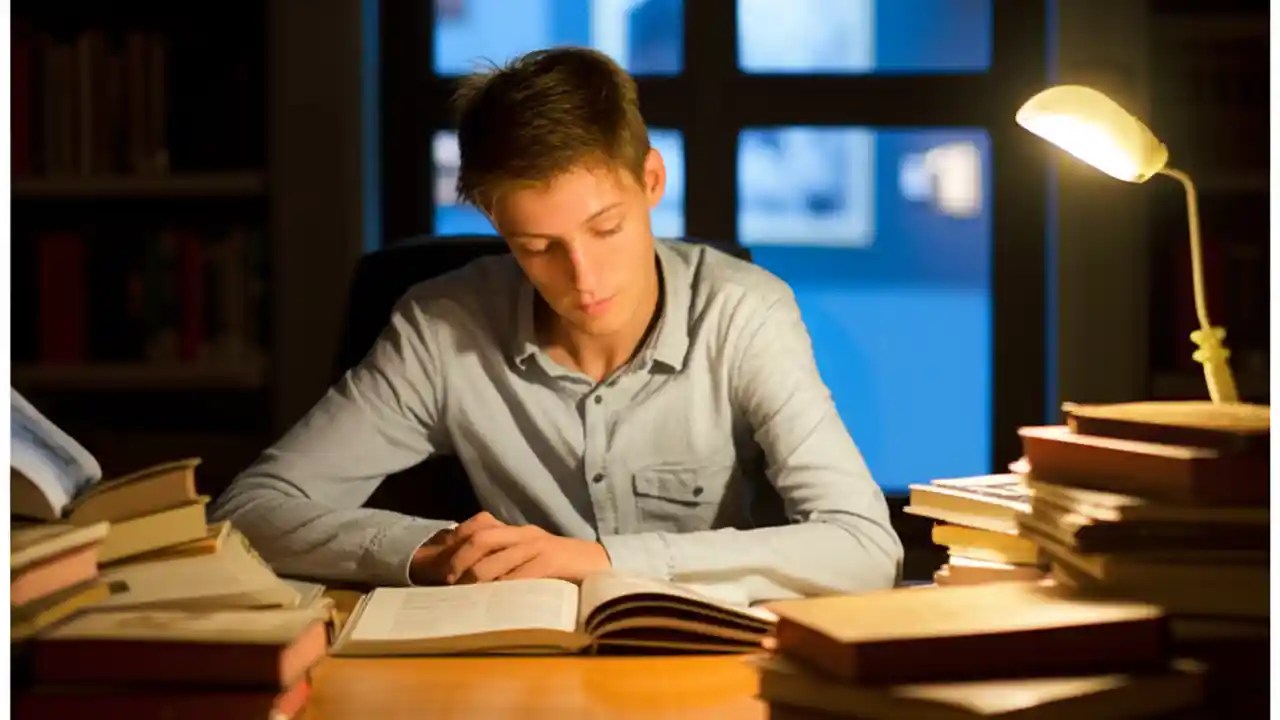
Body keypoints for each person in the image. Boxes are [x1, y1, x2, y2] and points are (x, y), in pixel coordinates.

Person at [211, 47, 902, 604]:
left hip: (705, 668)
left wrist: (599, 561)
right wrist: (433, 551)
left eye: (606, 228)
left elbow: (865, 546)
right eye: (537, 247)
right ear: (494, 223)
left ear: (652, 181)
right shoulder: (441, 326)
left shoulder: (745, 313)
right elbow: (248, 512)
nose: (584, 277)